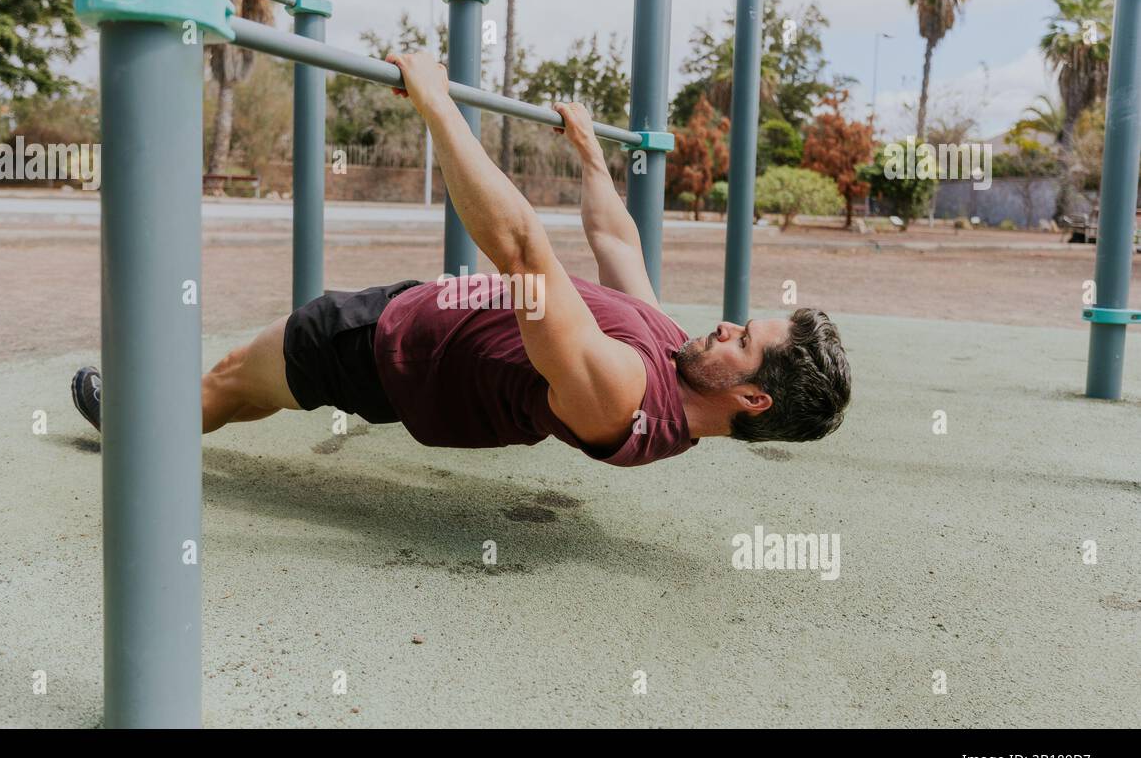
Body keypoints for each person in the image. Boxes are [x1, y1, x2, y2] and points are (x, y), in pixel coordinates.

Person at [73, 52, 850, 466]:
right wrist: (589, 156)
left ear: (752, 401)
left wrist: (436, 104)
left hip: (388, 345)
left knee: (237, 372)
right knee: (261, 391)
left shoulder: (622, 396)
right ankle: (168, 425)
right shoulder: (669, 368)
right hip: (420, 345)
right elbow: (618, 245)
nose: (723, 327)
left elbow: (520, 250)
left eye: (743, 341)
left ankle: (137, 434)